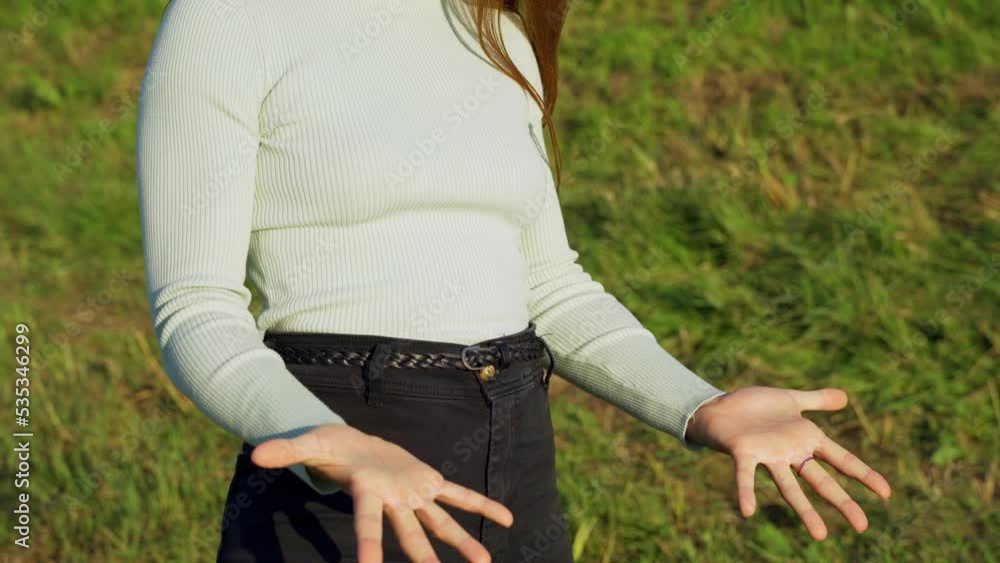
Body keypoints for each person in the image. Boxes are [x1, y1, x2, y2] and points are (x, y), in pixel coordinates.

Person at [135, 1, 892, 561]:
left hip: (517, 444)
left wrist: (702, 404)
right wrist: (325, 444)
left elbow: (552, 288)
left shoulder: (494, 28)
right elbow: (195, 307)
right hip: (340, 456)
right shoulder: (229, 18)